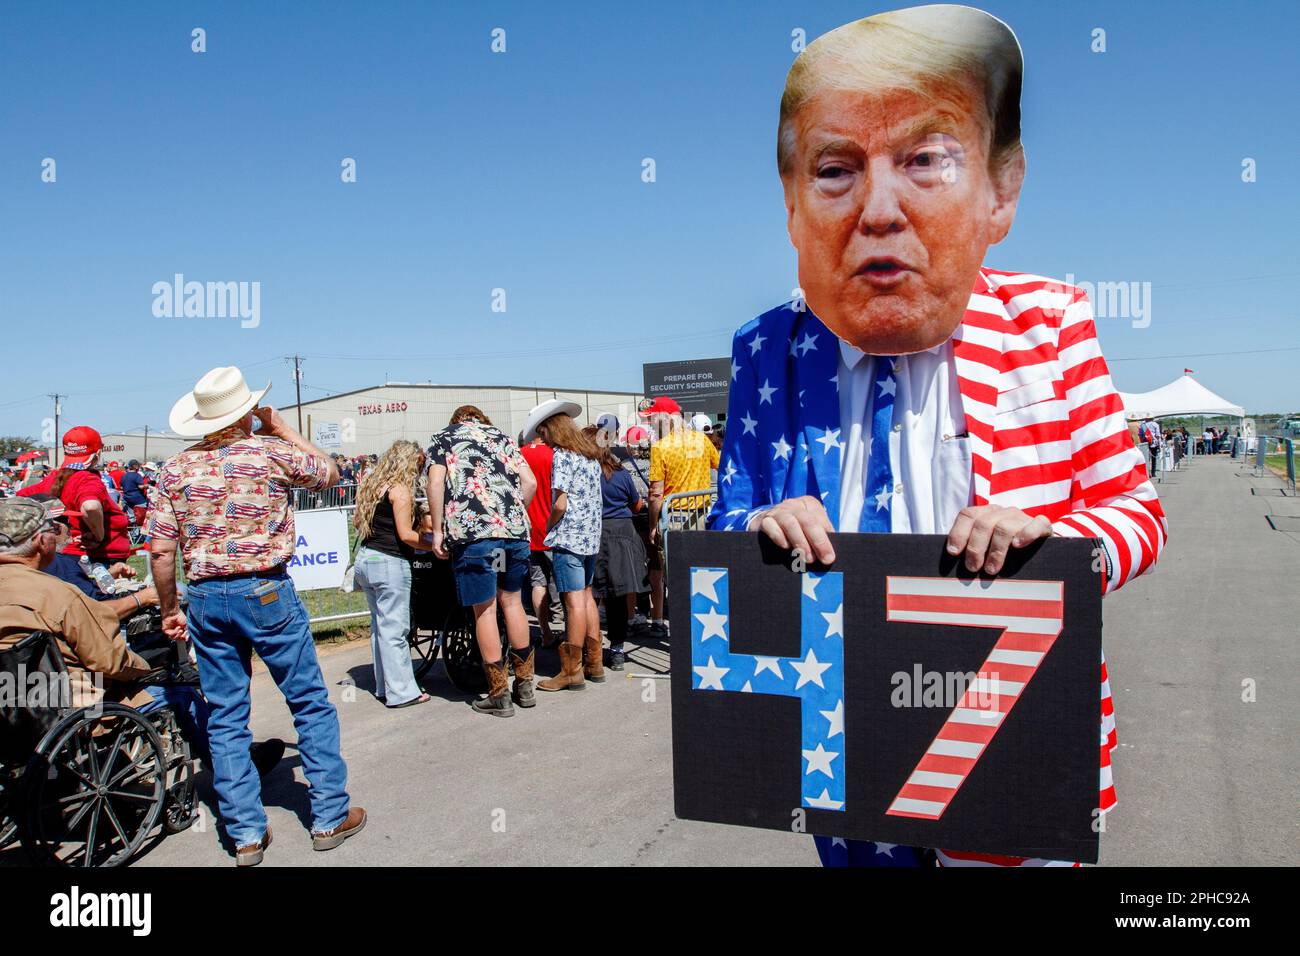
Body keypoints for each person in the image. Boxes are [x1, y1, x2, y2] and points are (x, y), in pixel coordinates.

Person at [708, 5, 1166, 867]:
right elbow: (724, 526)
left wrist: (1061, 545)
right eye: (836, 169)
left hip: (1008, 735)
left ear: (1001, 189)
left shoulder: (1051, 326)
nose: (879, 208)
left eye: (925, 159)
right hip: (843, 744)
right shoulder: (765, 351)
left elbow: (1136, 514)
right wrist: (758, 535)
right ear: (793, 205)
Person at [148, 366, 365, 866]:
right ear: (247, 411)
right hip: (265, 587)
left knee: (225, 714)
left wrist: (168, 608)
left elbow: (160, 551)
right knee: (308, 700)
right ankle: (329, 815)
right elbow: (331, 473)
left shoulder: (175, 470)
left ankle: (246, 832)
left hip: (205, 594)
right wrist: (283, 429)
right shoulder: (269, 453)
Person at [427, 405, 537, 717]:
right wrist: (510, 513)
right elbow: (529, 484)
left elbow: (435, 483)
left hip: (474, 535)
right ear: (481, 419)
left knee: (485, 611)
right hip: (513, 534)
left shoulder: (443, 438)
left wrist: (437, 531)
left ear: (456, 421)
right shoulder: (501, 438)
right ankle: (525, 686)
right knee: (512, 603)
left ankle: (498, 694)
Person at [523, 401, 604, 691]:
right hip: (591, 536)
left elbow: (560, 502)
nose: (541, 438)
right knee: (586, 597)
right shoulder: (591, 455)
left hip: (568, 536)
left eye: (543, 432)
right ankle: (594, 662)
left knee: (573, 602)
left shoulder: (563, 456)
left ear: (552, 429)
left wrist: (547, 525)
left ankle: (572, 670)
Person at [352, 440, 433, 708]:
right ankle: (402, 692)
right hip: (389, 563)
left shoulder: (370, 486)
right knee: (396, 630)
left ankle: (383, 686)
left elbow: (357, 522)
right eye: (418, 465)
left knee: (379, 628)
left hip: (366, 559)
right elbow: (406, 535)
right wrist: (434, 544)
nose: (420, 472)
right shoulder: (400, 490)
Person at [644, 396, 720, 634]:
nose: (649, 426)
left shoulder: (660, 447)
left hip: (674, 517)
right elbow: (721, 467)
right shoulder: (701, 440)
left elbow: (656, 493)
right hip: (702, 514)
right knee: (702, 575)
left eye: (652, 420)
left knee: (676, 578)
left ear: (663, 419)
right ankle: (702, 628)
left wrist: (652, 525)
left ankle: (682, 634)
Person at [18, 426, 132, 564]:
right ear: (97, 455)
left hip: (62, 554)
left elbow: (18, 498)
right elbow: (90, 507)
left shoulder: (53, 477)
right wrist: (98, 536)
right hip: (96, 557)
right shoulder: (87, 479)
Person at [589, 427, 649, 671]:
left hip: (597, 534)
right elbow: (636, 505)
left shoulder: (587, 474)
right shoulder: (622, 474)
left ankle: (590, 650)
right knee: (617, 597)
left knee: (590, 597)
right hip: (623, 534)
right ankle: (617, 650)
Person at [519, 430, 559, 648]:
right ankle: (571, 635)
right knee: (564, 584)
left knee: (538, 583)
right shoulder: (554, 455)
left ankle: (545, 633)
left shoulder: (518, 454)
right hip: (553, 528)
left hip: (529, 530)